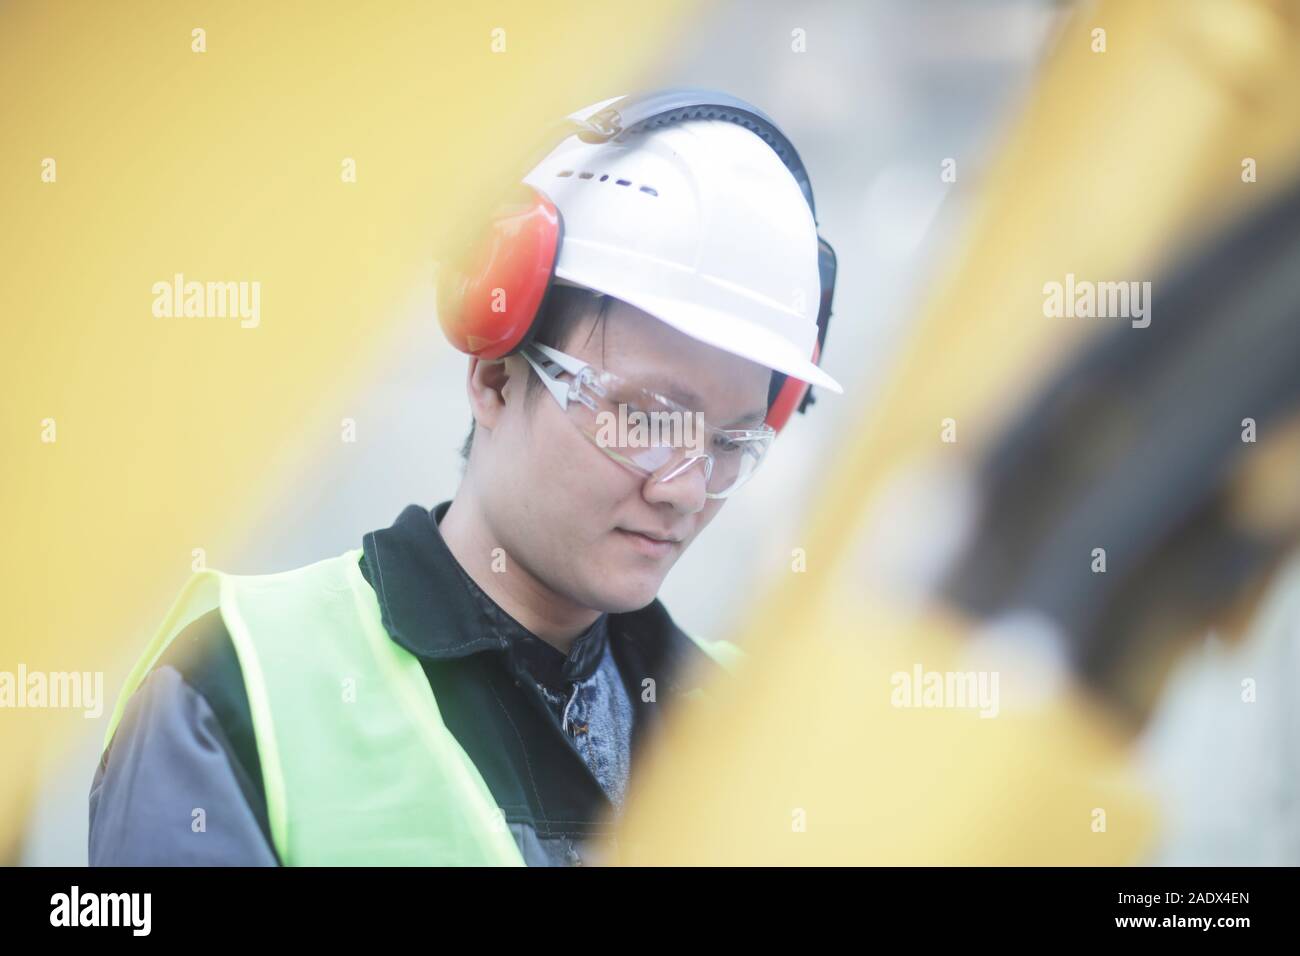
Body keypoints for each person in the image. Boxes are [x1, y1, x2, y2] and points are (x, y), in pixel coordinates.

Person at [88, 89, 842, 866]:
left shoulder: (752, 729)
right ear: (494, 377)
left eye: (730, 441)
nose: (684, 489)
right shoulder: (245, 687)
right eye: (646, 421)